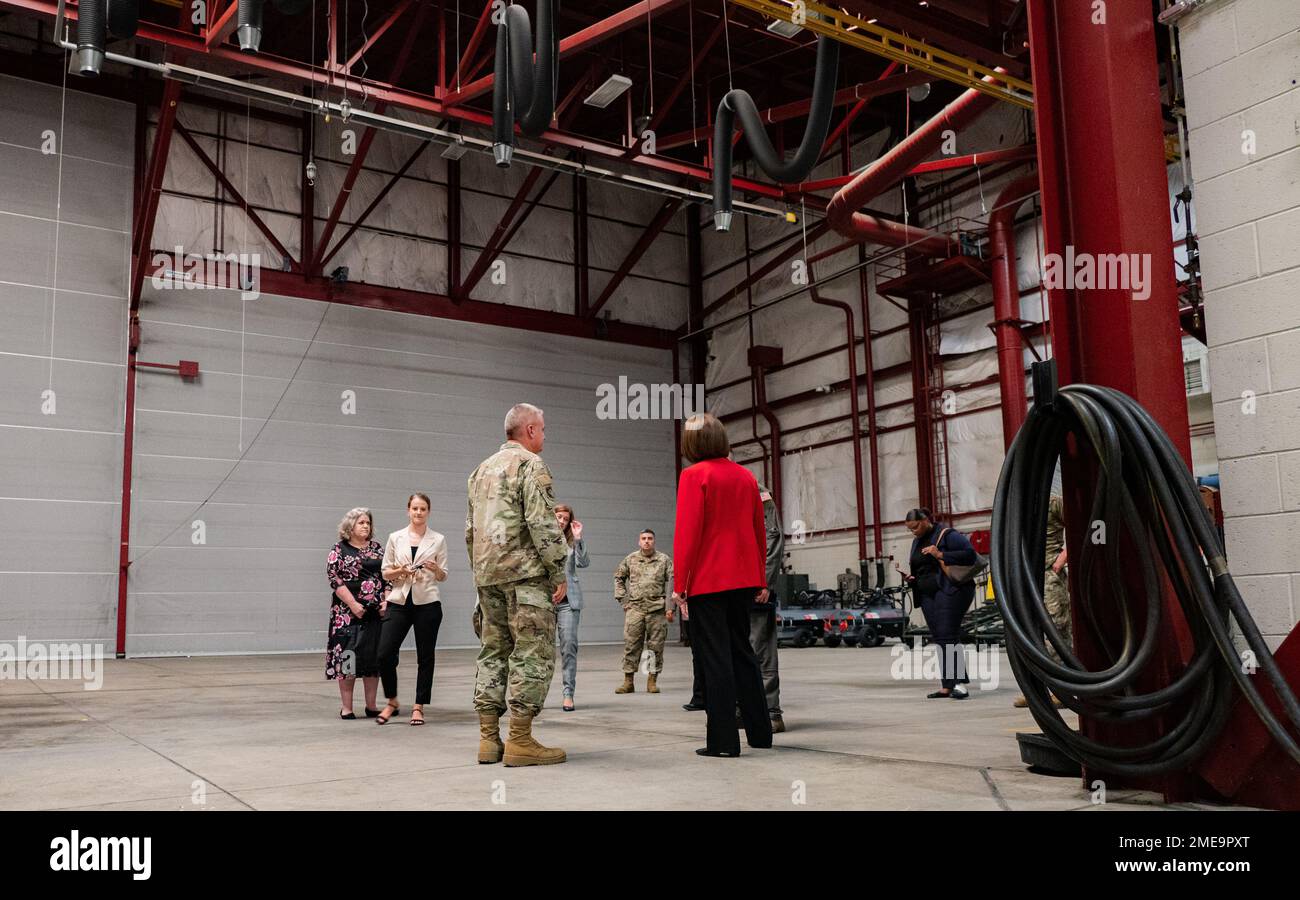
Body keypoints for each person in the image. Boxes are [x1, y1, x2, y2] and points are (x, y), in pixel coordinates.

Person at [467, 403, 570, 767]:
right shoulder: (530, 465)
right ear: (529, 431)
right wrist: (559, 571)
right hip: (526, 579)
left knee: (493, 653)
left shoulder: (479, 472)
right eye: (542, 429)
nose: (544, 435)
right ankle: (521, 740)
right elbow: (543, 524)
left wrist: (481, 575)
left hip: (488, 577)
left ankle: (488, 740)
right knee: (531, 653)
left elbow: (471, 532)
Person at [673, 412, 771, 758]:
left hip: (708, 580)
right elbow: (759, 530)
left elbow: (688, 533)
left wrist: (680, 583)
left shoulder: (693, 476)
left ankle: (723, 742)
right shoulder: (746, 477)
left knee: (715, 659)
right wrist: (760, 577)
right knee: (743, 652)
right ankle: (761, 733)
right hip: (743, 578)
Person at [376, 493, 448, 726]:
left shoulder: (438, 539)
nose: (418, 512)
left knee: (425, 656)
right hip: (399, 601)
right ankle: (392, 700)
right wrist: (401, 571)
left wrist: (436, 568)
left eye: (423, 509)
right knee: (384, 653)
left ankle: (419, 706)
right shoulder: (395, 537)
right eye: (415, 508)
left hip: (427, 602)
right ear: (408, 510)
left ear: (428, 512)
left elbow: (443, 575)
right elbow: (385, 572)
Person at [900, 507, 977, 700]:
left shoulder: (947, 534)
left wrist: (940, 554)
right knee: (940, 637)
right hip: (927, 594)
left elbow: (970, 555)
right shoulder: (916, 541)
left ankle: (959, 684)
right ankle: (947, 685)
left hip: (951, 590)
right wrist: (911, 578)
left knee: (947, 634)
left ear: (926, 520)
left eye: (916, 527)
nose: (914, 532)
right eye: (910, 529)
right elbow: (922, 568)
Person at [326, 508, 386, 719]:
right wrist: (352, 604)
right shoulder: (339, 549)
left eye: (368, 523)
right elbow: (334, 579)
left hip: (375, 613)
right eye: (361, 522)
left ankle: (371, 706)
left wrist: (386, 600)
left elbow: (389, 576)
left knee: (372, 660)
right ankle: (347, 707)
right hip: (347, 614)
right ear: (350, 526)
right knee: (348, 658)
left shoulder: (378, 549)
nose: (366, 526)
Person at [1015, 493, 1070, 708]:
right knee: (1028, 631)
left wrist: (1061, 560)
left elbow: (1078, 529)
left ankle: (1062, 690)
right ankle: (1037, 690)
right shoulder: (1019, 500)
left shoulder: (1053, 501)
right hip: (1026, 574)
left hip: (1049, 573)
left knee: (1056, 631)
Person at [612, 530, 673, 694]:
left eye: (650, 538)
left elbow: (672, 582)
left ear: (654, 541)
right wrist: (624, 601)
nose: (647, 541)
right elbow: (618, 577)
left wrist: (669, 607)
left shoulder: (664, 560)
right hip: (636, 609)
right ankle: (628, 681)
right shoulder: (631, 559)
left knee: (654, 647)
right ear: (639, 541)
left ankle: (651, 680)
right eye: (644, 539)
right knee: (631, 645)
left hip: (656, 610)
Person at [750, 482, 786, 732]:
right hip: (729, 585)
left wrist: (765, 582)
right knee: (737, 650)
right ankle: (743, 708)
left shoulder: (756, 489)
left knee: (761, 647)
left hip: (755, 586)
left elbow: (772, 537)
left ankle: (772, 712)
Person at [554, 503, 589, 711]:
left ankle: (568, 693)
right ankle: (535, 697)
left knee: (569, 647)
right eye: (559, 517)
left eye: (565, 519)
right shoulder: (540, 540)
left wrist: (577, 538)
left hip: (569, 602)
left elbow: (583, 563)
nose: (562, 521)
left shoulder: (570, 542)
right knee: (541, 652)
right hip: (544, 601)